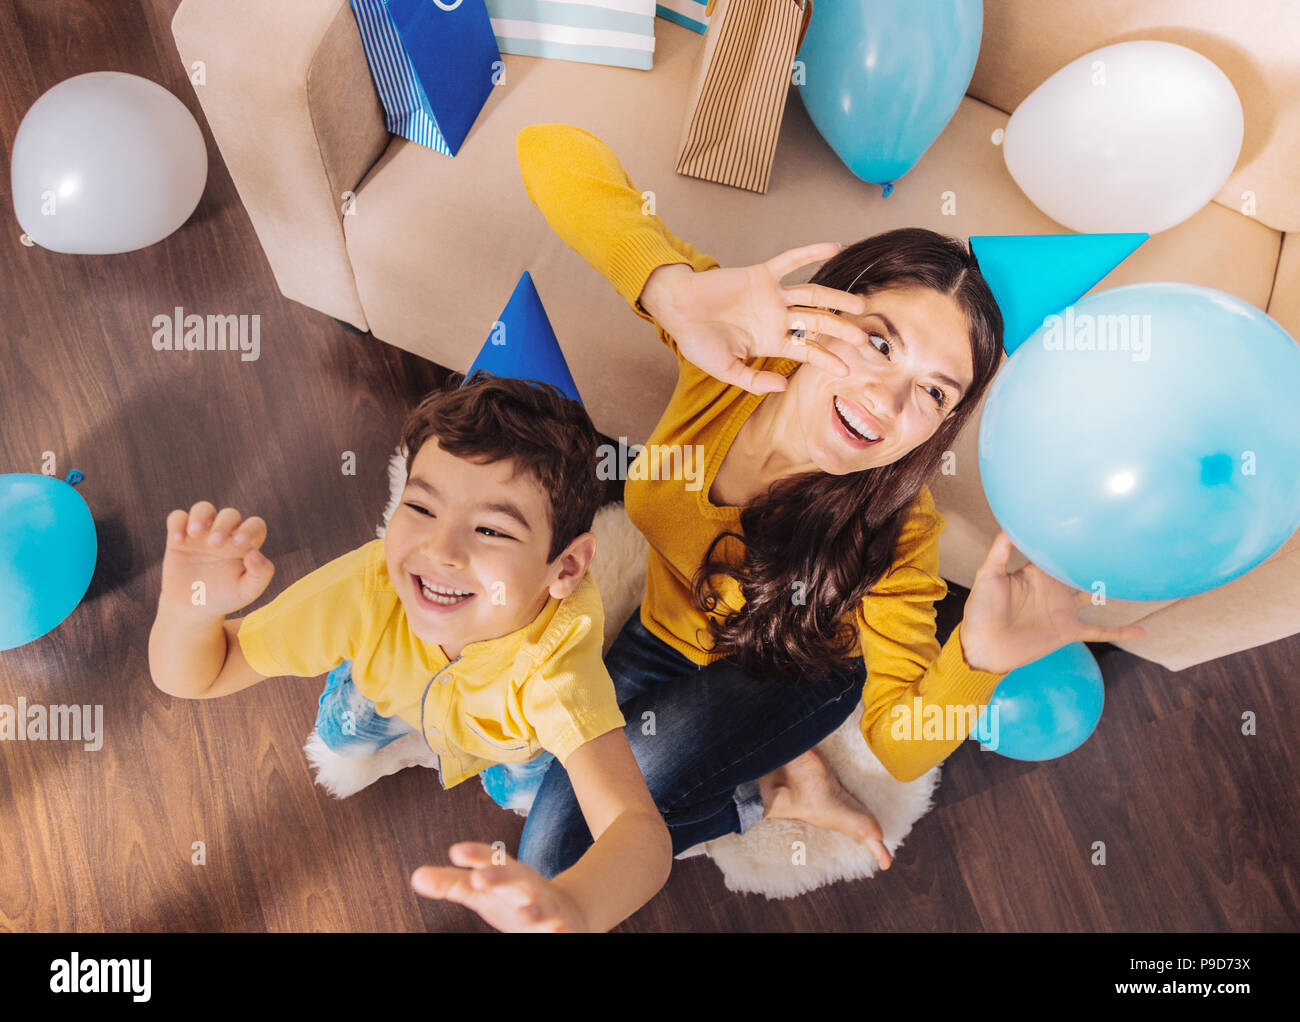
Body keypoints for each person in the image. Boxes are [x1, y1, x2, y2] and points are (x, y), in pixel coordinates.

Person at [512, 123, 1147, 878]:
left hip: (791, 675)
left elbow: (896, 744)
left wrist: (981, 658)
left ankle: (783, 774)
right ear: (827, 306)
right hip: (660, 637)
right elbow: (547, 148)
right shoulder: (736, 354)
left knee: (555, 855)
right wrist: (671, 289)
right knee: (573, 791)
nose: (886, 398)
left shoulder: (903, 532)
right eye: (880, 342)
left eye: (933, 391)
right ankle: (774, 793)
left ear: (943, 424)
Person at [147, 372, 673, 932]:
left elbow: (639, 834)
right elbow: (204, 674)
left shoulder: (555, 667)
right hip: (389, 696)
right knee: (344, 732)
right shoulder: (365, 589)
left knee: (520, 782)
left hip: (510, 741)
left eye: (492, 531)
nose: (439, 551)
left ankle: (502, 766)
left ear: (565, 567)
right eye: (421, 508)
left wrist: (575, 907)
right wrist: (187, 610)